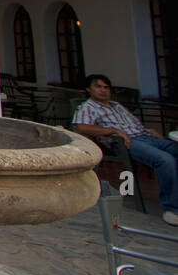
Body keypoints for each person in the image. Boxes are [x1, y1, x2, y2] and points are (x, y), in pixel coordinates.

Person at [73, 73, 178, 225]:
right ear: (89, 89)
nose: (103, 90)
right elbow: (81, 127)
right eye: (98, 86)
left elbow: (134, 126)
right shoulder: (88, 107)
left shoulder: (117, 106)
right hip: (126, 143)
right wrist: (112, 131)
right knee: (165, 160)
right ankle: (172, 208)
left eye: (106, 87)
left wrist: (149, 130)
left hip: (147, 137)